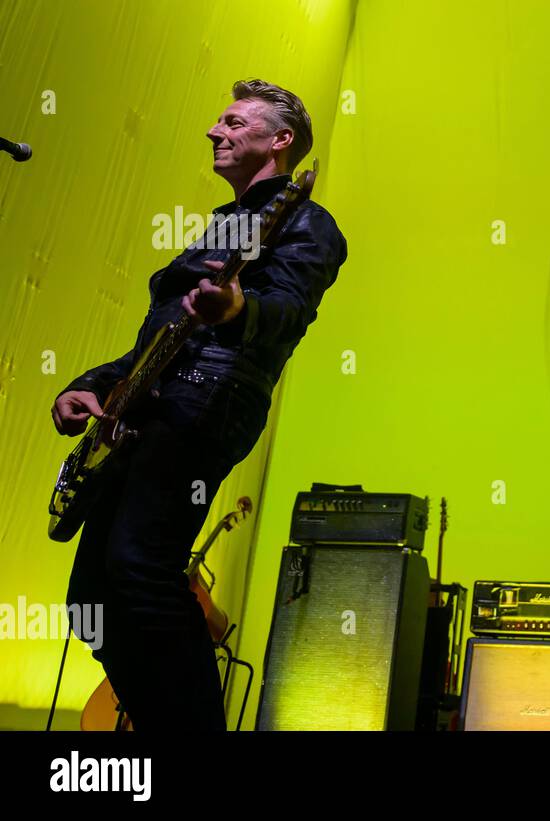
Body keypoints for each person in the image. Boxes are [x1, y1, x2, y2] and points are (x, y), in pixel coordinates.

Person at [51, 79, 346, 730]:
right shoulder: (220, 226)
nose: (215, 132)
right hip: (147, 411)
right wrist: (87, 388)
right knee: (90, 599)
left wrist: (238, 307)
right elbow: (152, 341)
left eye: (234, 122)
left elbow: (288, 311)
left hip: (205, 404)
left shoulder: (306, 220)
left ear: (280, 140)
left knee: (140, 566)